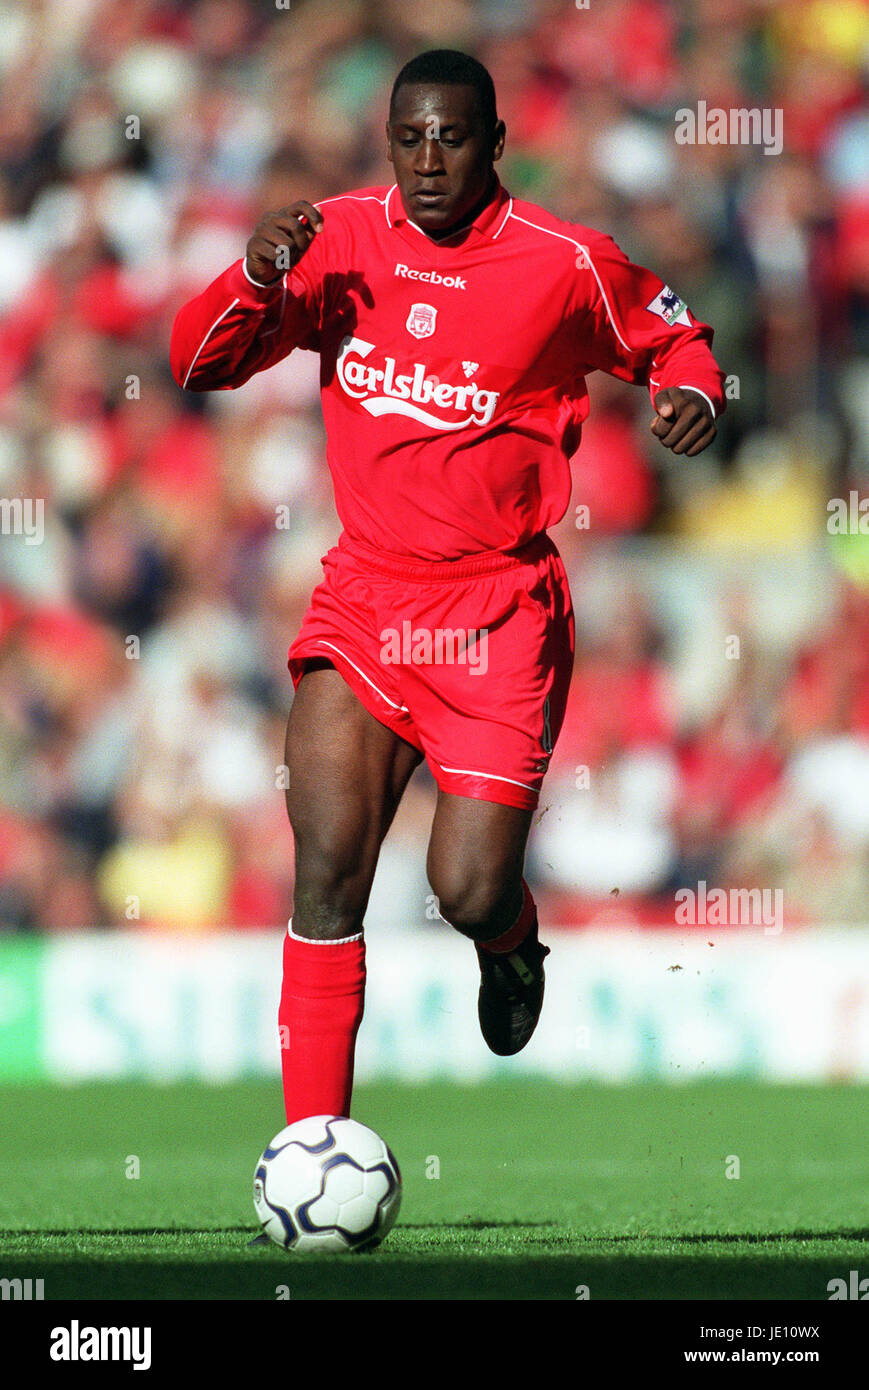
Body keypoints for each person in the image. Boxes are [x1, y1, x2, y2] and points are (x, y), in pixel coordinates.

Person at [170, 49, 725, 1124]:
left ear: (495, 143)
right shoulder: (333, 240)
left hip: (496, 615)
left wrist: (693, 392)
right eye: (410, 138)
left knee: (465, 888)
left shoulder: (563, 261)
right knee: (327, 870)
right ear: (387, 142)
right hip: (366, 597)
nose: (428, 160)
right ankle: (312, 1143)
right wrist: (250, 280)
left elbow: (675, 335)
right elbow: (196, 363)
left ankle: (509, 944)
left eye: (452, 137)